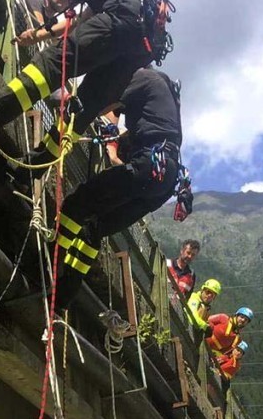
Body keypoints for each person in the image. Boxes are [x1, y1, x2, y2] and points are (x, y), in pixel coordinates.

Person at [0, 0, 169, 168]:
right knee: (86, 105)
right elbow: (82, 18)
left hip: (126, 14)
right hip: (145, 43)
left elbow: (86, 18)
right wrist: (38, 35)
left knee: (52, 64)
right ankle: (30, 169)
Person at [49, 67, 183, 311]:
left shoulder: (139, 77)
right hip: (164, 179)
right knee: (96, 227)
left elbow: (105, 103)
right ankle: (63, 297)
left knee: (77, 204)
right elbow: (128, 117)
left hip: (147, 165)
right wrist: (115, 138)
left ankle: (49, 261)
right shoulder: (164, 90)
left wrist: (74, 107)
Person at [166, 239, 200, 306]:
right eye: (188, 253)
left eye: (193, 255)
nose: (190, 256)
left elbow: (187, 297)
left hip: (175, 313)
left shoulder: (191, 276)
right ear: (182, 251)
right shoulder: (166, 264)